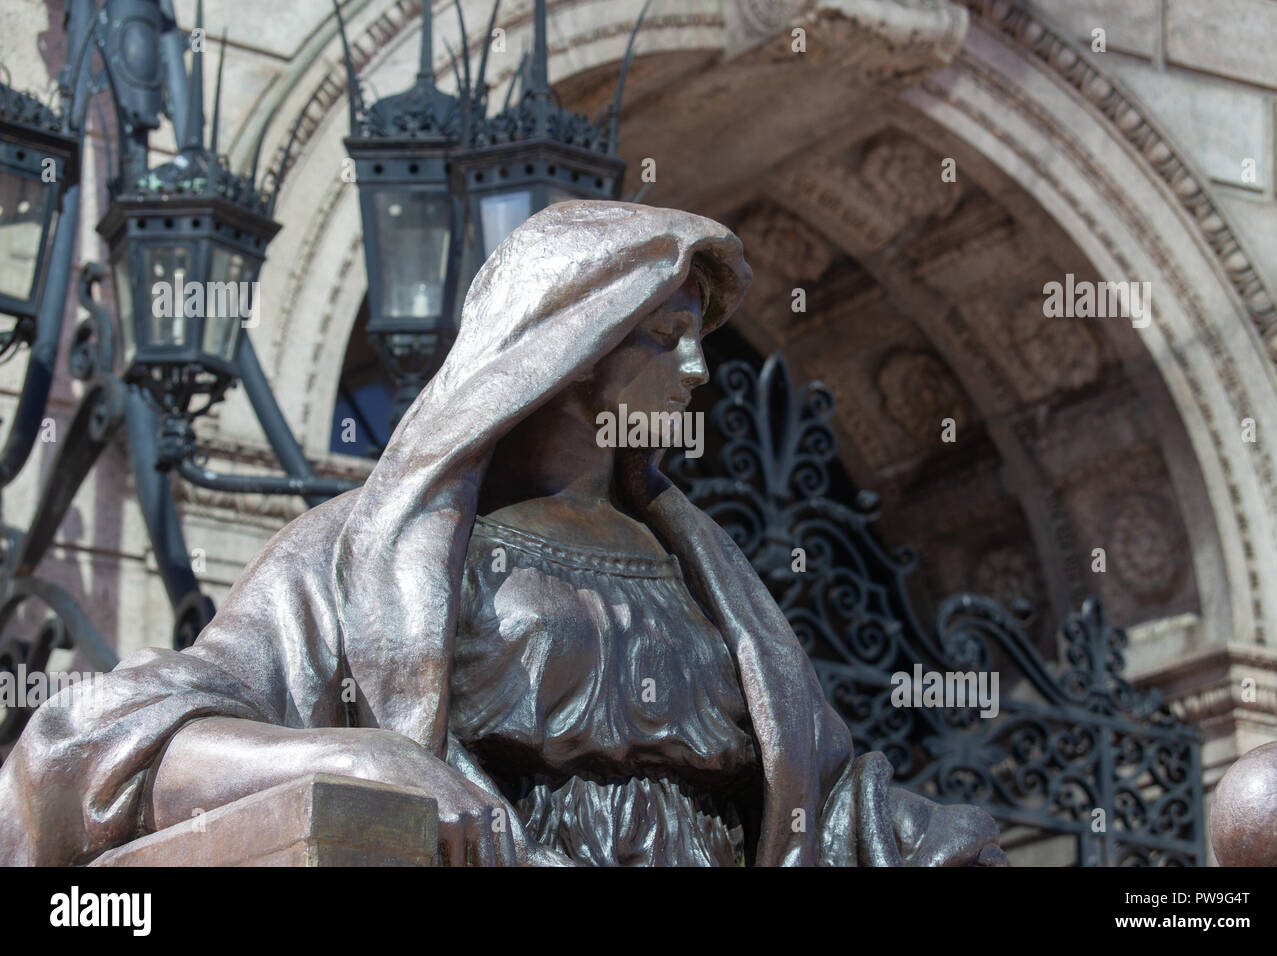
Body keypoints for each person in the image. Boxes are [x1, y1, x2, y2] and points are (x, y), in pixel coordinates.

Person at [0, 200, 1005, 867]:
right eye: (669, 335)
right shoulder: (365, 554)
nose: (701, 371)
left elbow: (825, 805)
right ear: (572, 347)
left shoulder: (714, 576)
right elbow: (86, 745)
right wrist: (358, 763)